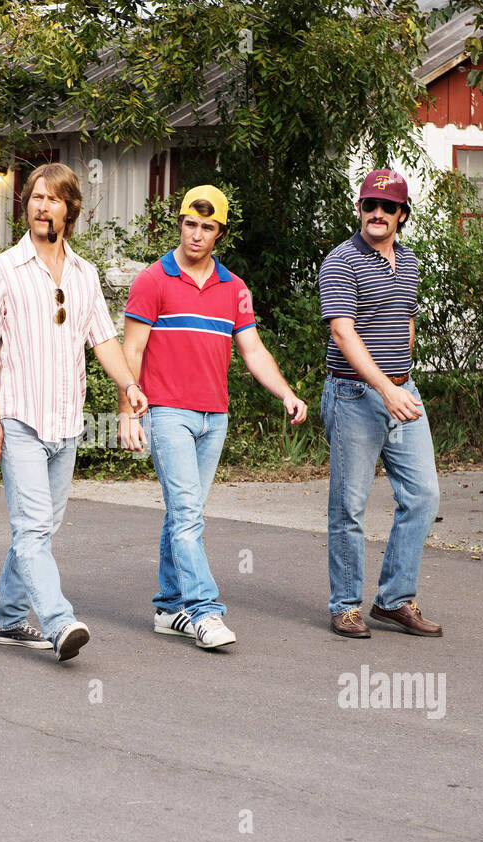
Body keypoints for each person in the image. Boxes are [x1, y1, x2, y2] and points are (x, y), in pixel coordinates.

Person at [0, 163, 148, 662]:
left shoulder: (85, 276)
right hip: (20, 417)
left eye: (53, 199)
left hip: (68, 424)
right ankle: (60, 621)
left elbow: (104, 340)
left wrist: (128, 384)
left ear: (70, 210)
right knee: (32, 530)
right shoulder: (1, 271)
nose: (42, 206)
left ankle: (7, 618)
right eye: (35, 198)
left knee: (41, 529)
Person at [119, 185, 307, 651]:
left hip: (214, 417)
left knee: (185, 514)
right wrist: (128, 413)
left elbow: (253, 350)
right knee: (187, 515)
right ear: (179, 223)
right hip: (167, 413)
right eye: (189, 224)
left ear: (219, 233)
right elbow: (132, 351)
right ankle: (204, 611)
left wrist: (286, 392)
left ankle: (167, 607)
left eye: (207, 227)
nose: (196, 234)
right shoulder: (152, 281)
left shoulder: (234, 288)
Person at [317, 169, 442, 639]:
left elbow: (406, 319)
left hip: (402, 392)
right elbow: (343, 333)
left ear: (401, 215)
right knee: (349, 506)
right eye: (370, 204)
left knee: (423, 496)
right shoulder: (341, 261)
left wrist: (402, 382)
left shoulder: (409, 262)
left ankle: (393, 600)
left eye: (387, 207)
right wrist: (384, 389)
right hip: (354, 394)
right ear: (360, 210)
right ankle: (345, 605)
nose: (377, 213)